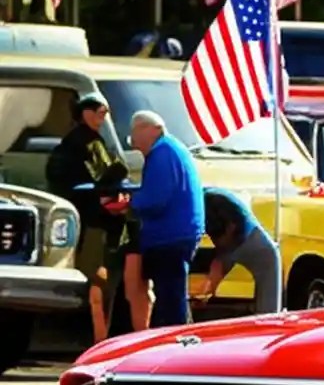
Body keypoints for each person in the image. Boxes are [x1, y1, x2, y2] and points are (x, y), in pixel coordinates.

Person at [44, 92, 130, 343]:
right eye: (100, 113)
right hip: (91, 220)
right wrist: (115, 179)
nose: (103, 118)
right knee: (97, 278)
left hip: (89, 217)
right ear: (86, 113)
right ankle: (97, 336)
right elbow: (98, 179)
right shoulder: (82, 144)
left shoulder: (85, 141)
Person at [126, 111, 205, 328]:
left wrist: (131, 202)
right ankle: (182, 340)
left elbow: (156, 199)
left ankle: (175, 346)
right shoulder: (173, 149)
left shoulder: (161, 153)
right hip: (180, 233)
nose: (134, 143)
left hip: (169, 237)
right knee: (173, 296)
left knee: (170, 301)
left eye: (134, 134)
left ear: (149, 129)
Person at [194, 187, 281, 315]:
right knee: (215, 274)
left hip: (258, 248)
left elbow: (224, 246)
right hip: (232, 241)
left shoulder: (214, 201)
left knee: (268, 312)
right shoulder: (202, 203)